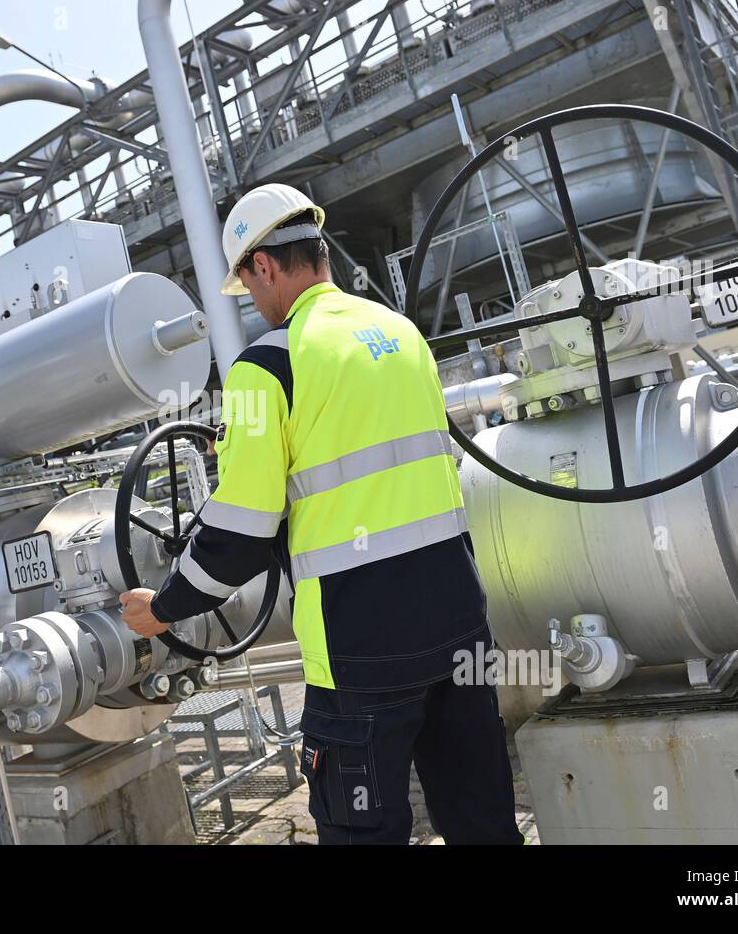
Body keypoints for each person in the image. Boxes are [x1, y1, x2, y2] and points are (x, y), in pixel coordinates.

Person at [121, 183, 522, 845]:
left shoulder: (265, 368)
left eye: (248, 287)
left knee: (361, 830)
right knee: (484, 825)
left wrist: (164, 608)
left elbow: (240, 529)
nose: (254, 303)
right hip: (459, 622)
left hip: (360, 645)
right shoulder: (402, 334)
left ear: (264, 265)